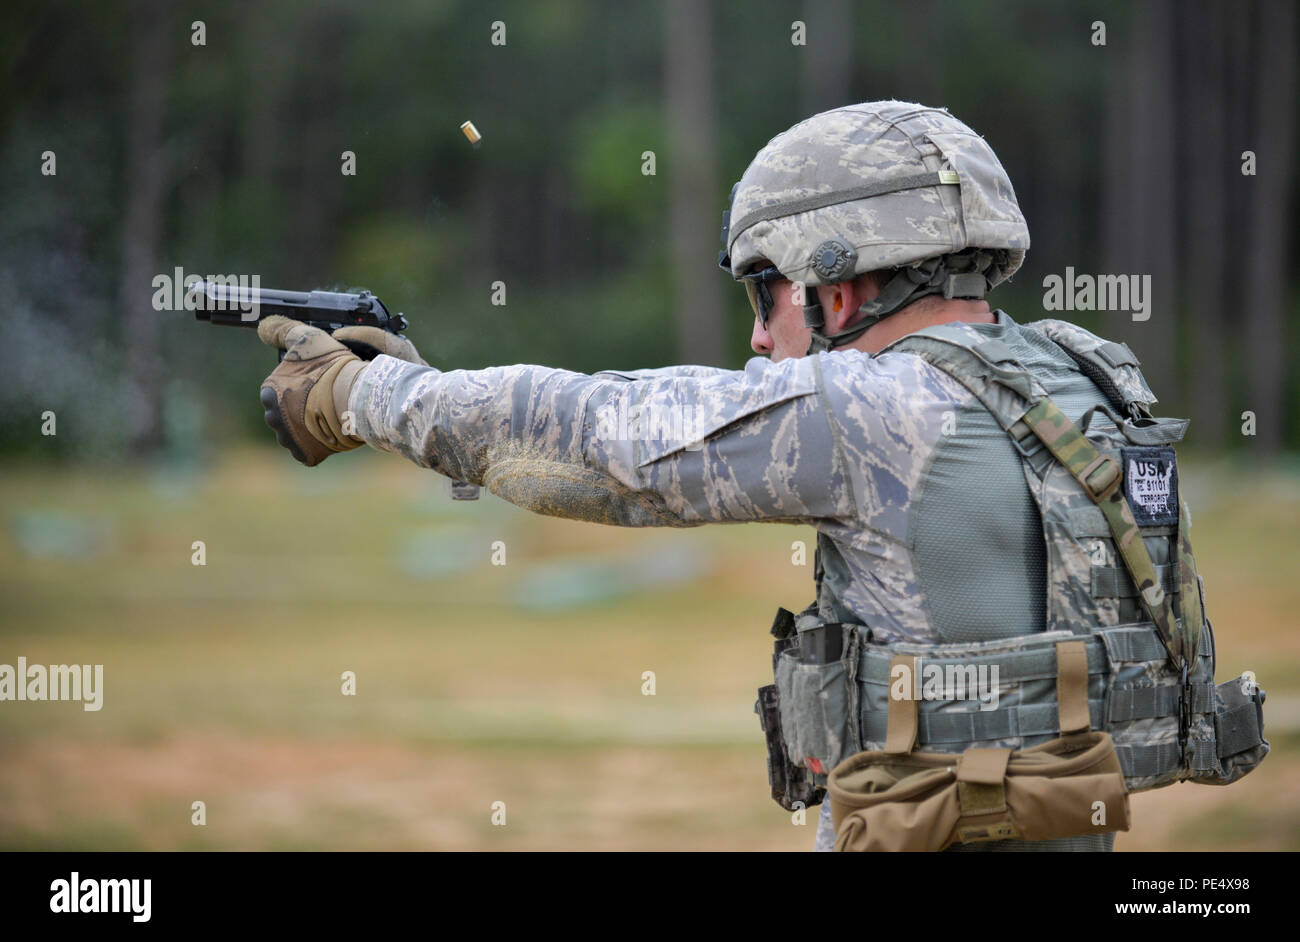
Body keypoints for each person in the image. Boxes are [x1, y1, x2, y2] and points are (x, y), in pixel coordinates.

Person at [255, 101, 1266, 851]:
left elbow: (603, 440)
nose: (755, 331)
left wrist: (357, 397)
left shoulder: (877, 411)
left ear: (846, 277)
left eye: (764, 291)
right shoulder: (1085, 376)